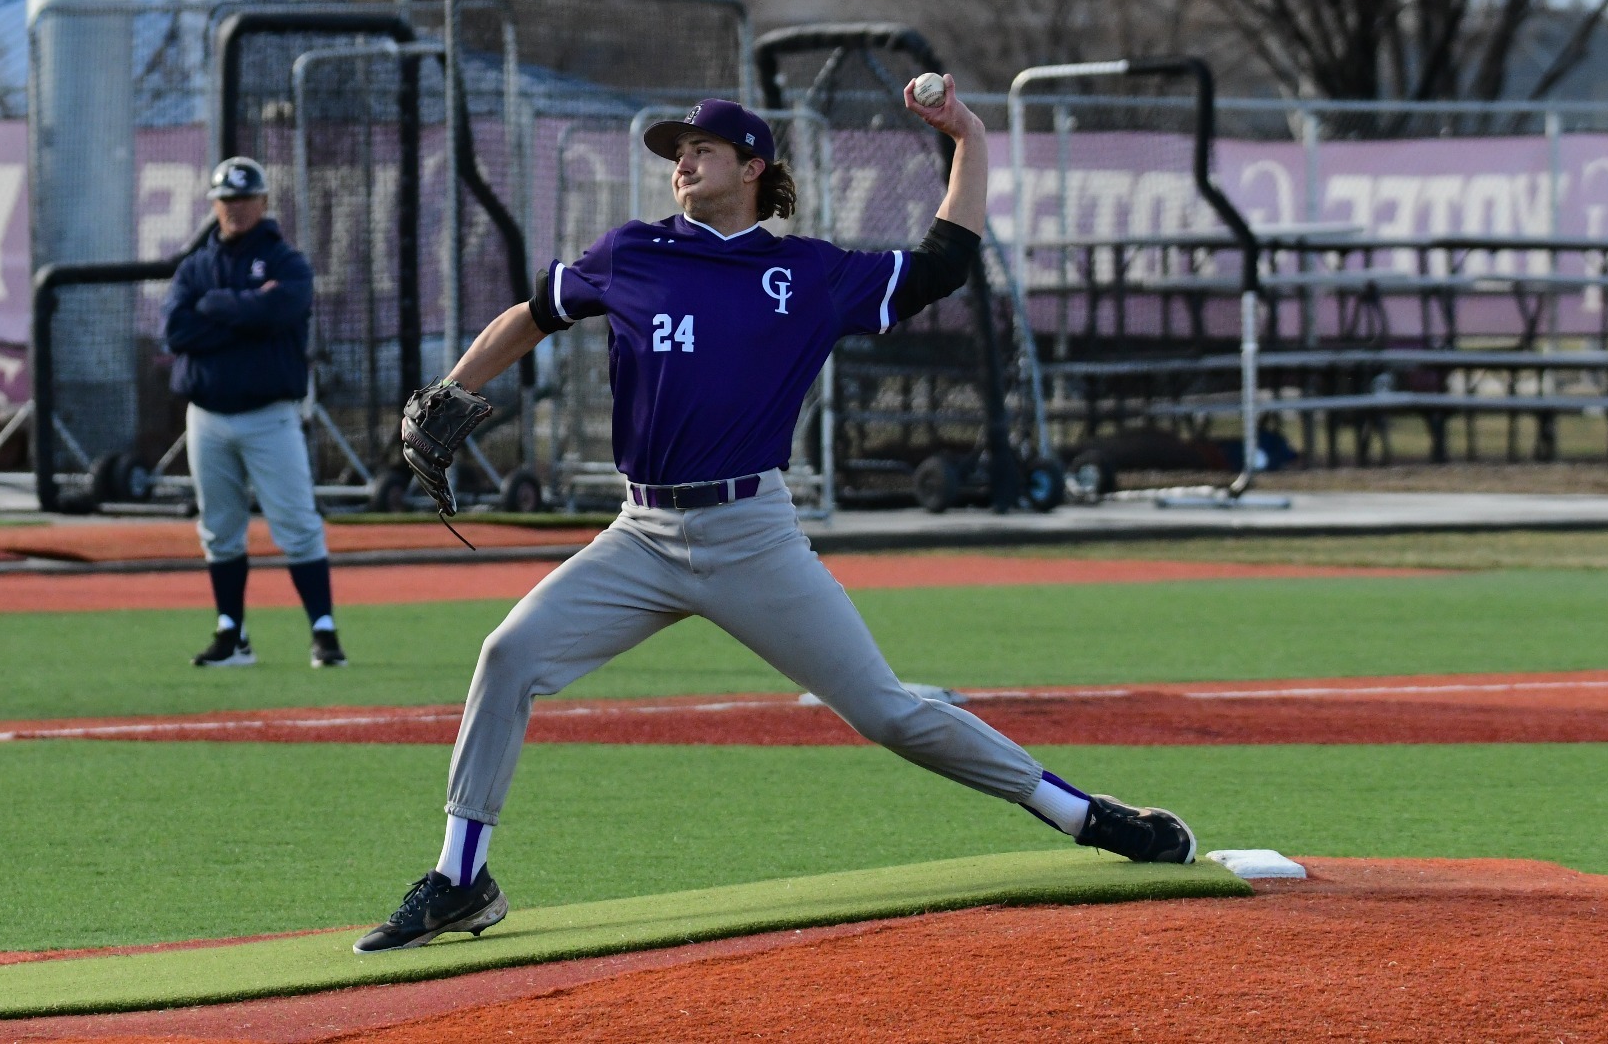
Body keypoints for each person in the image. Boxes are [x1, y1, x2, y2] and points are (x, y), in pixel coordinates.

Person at [355, 82, 1194, 954]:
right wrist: (455, 387)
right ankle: (460, 878)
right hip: (639, 535)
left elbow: (944, 262)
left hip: (750, 532)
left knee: (886, 711)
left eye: (701, 148)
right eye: (676, 149)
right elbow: (533, 313)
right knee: (508, 654)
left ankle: (1081, 814)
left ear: (752, 167)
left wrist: (969, 137)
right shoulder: (631, 252)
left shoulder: (809, 275)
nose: (681, 160)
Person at [163, 156, 346, 669]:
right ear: (215, 206)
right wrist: (244, 310)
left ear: (263, 202)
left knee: (296, 522)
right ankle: (231, 633)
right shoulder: (195, 266)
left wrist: (215, 309)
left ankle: (324, 632)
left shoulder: (287, 261)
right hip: (207, 417)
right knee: (219, 527)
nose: (235, 209)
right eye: (226, 200)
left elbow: (282, 309)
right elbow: (177, 331)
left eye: (244, 199)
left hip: (270, 415)